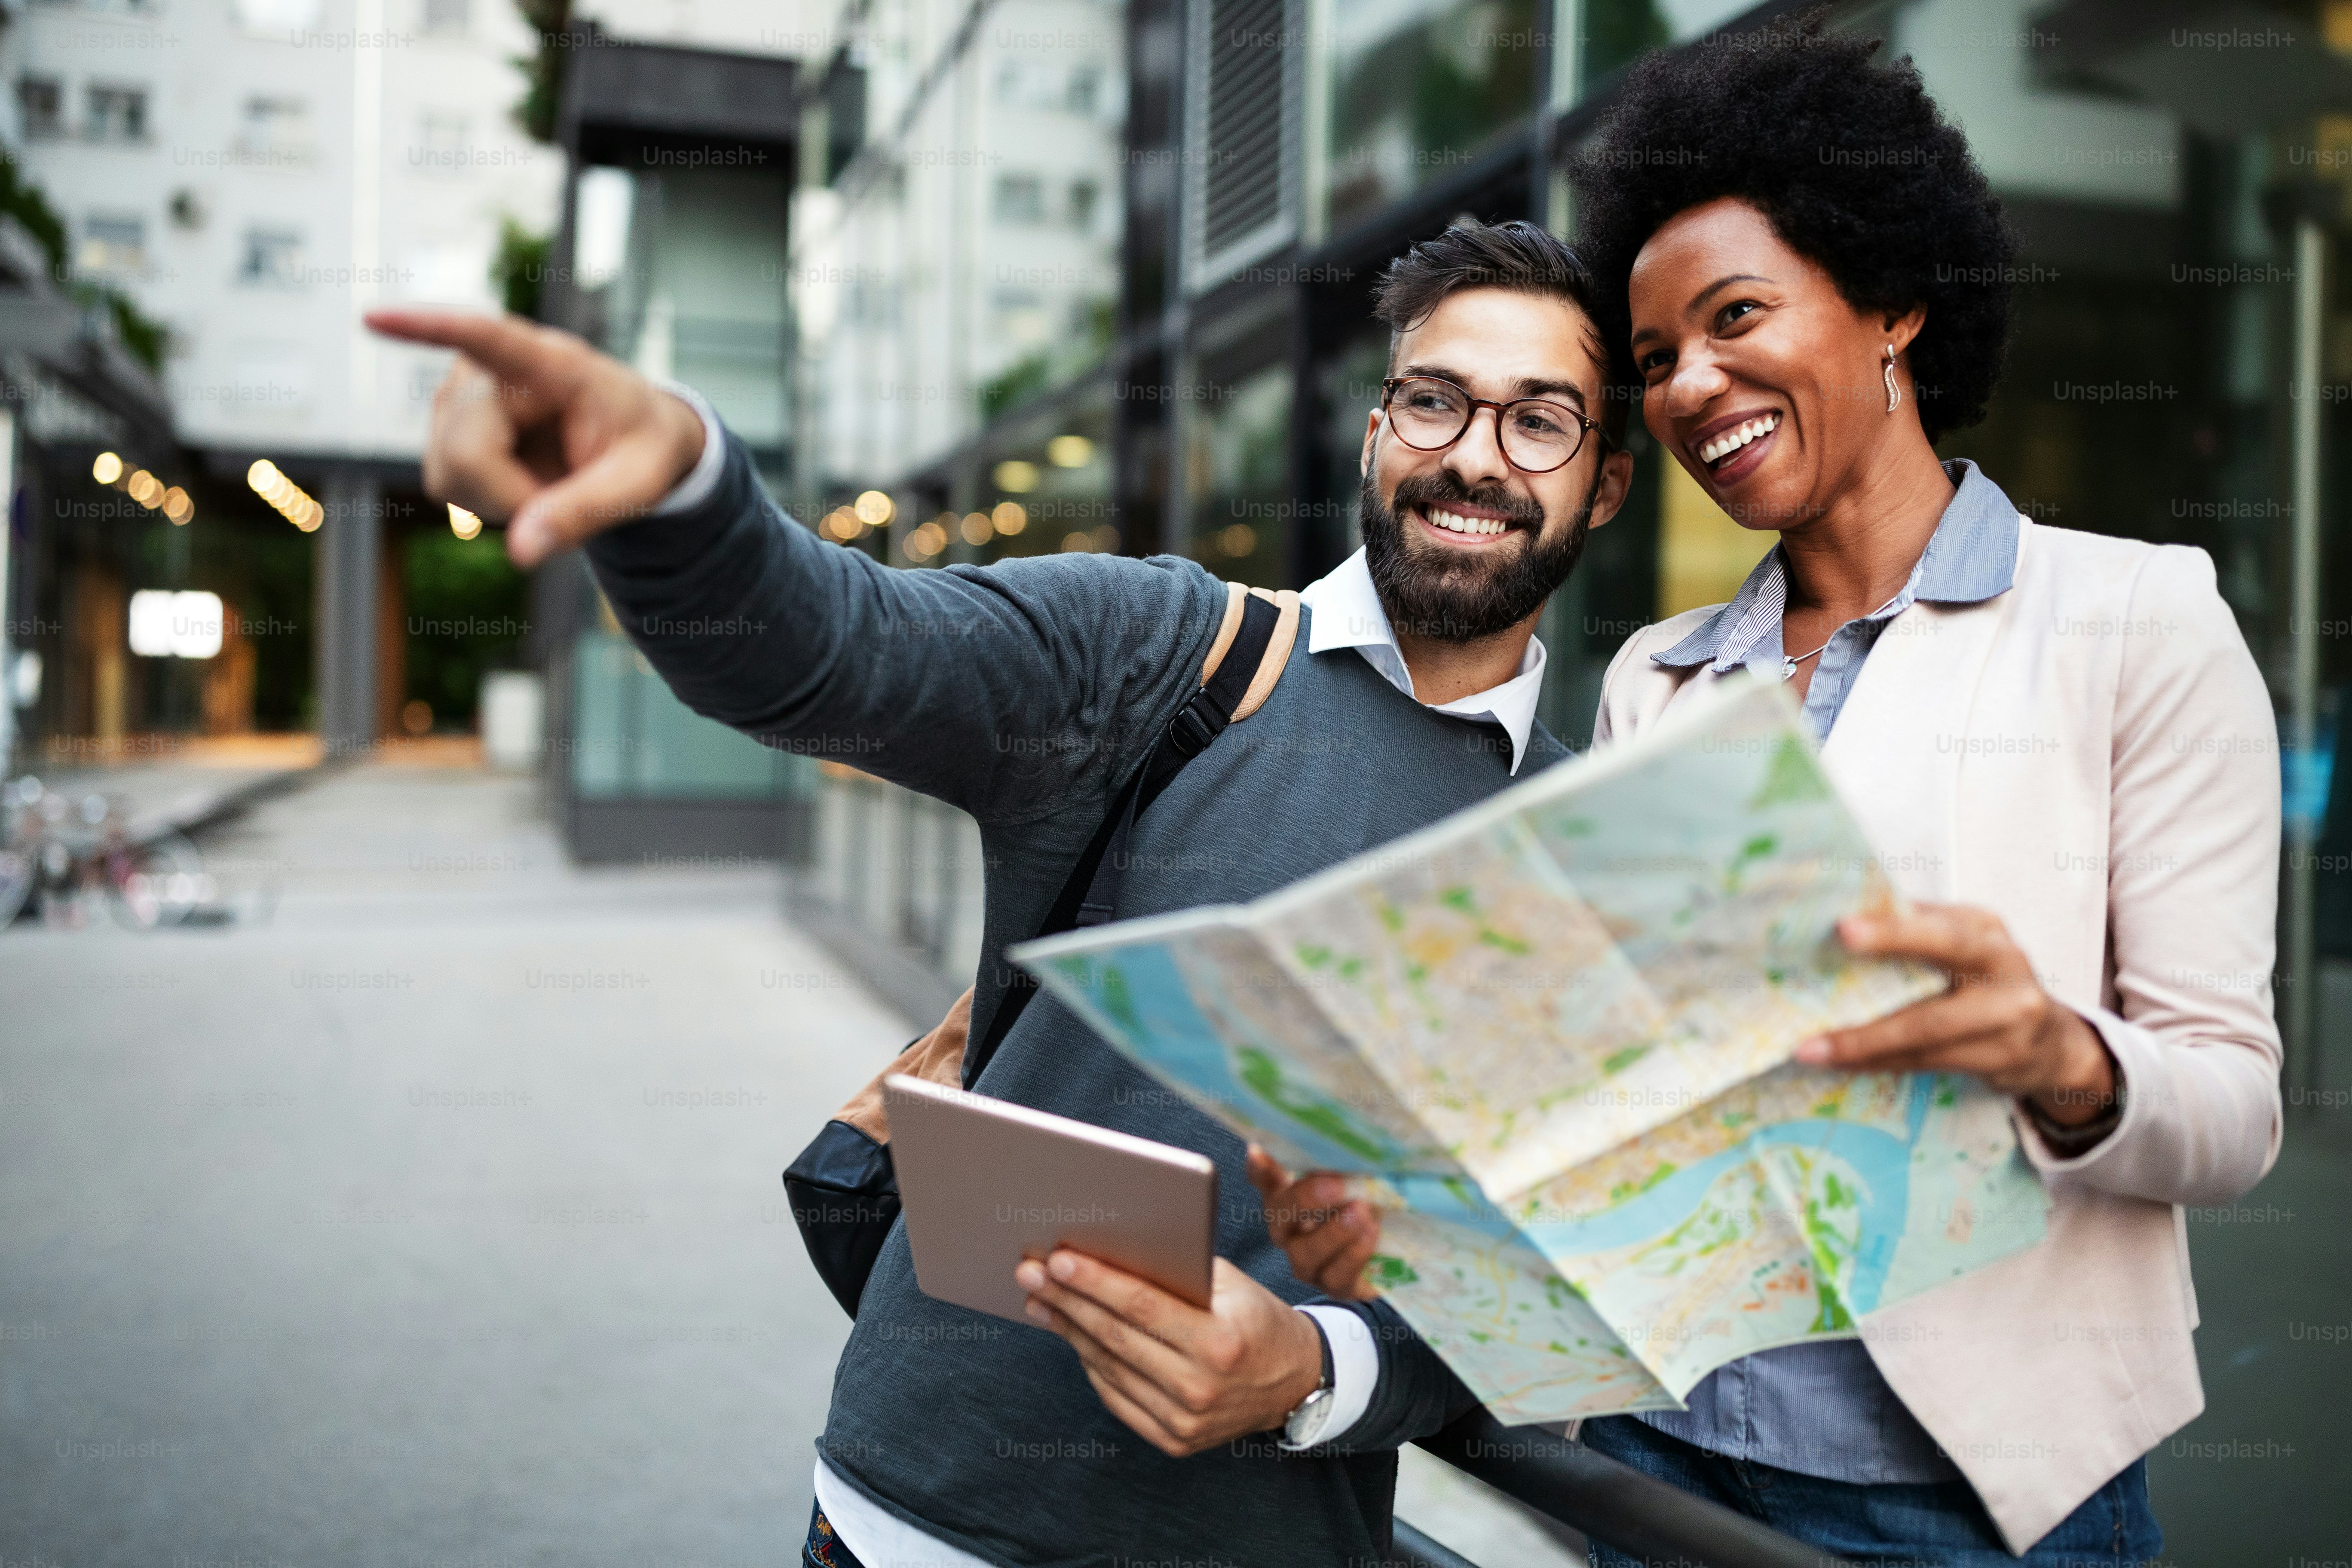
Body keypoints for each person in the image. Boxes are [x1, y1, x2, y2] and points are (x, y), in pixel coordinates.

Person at [368, 217, 1631, 1568]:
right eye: (1435, 400)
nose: (1475, 456)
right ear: (1378, 431)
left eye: (1539, 420)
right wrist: (680, 488)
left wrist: (1317, 1368)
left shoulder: (1582, 852)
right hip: (928, 1523)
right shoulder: (1171, 651)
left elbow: (1541, 1286)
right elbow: (834, 645)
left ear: (1607, 486)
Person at [1256, 20, 2283, 1568]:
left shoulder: (2136, 620)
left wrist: (2058, 1056)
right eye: (1657, 360)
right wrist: (1418, 1205)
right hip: (1657, 1460)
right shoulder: (1661, 680)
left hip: (1973, 1507)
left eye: (1738, 319)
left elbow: (2236, 1112)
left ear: (1894, 303)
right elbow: (1623, 1105)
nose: (1691, 388)